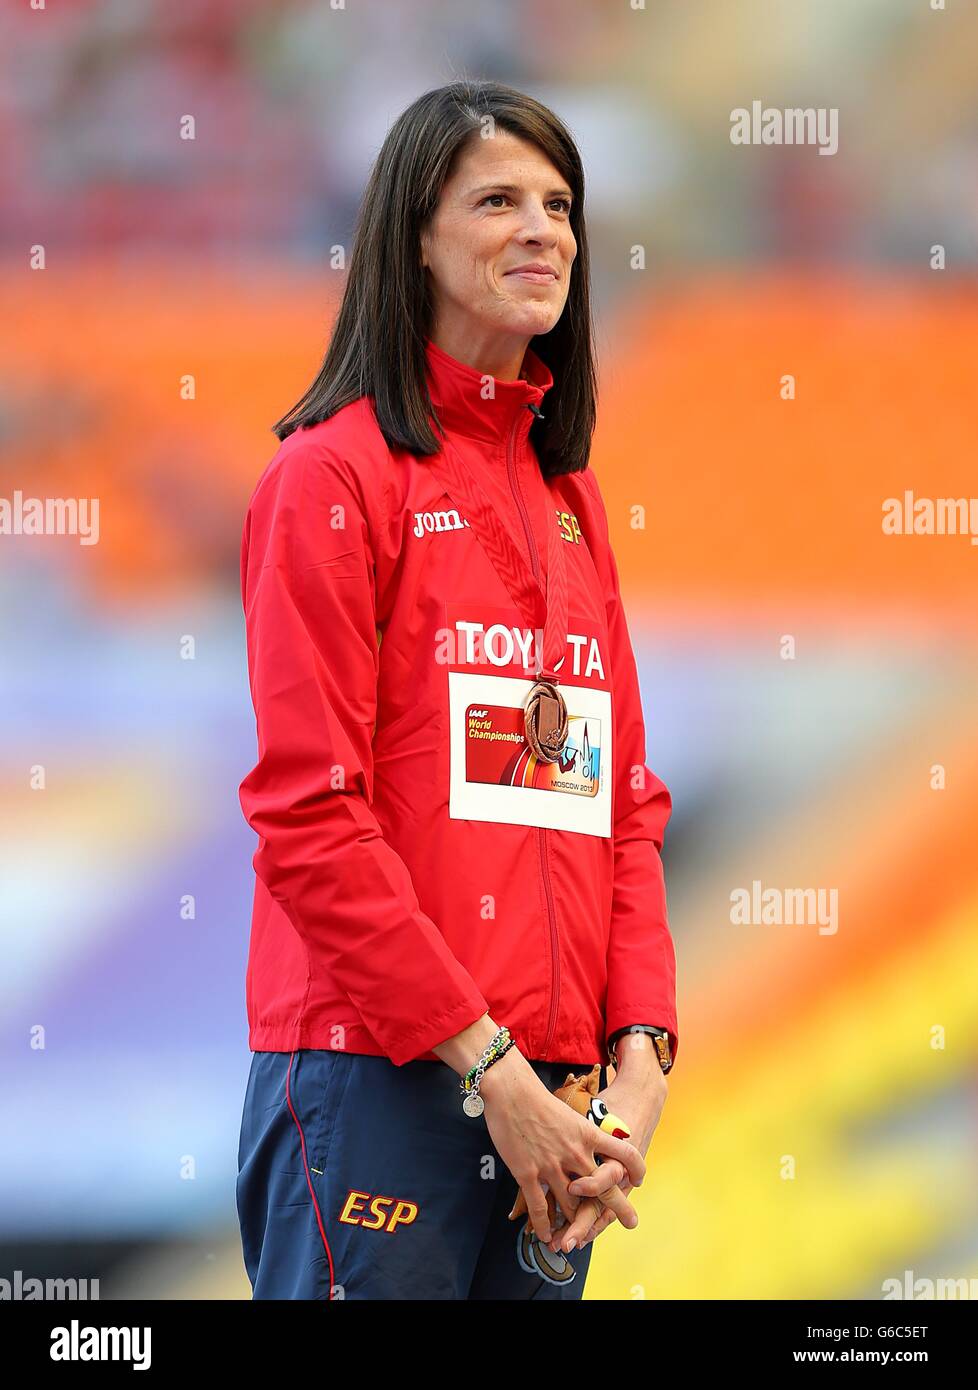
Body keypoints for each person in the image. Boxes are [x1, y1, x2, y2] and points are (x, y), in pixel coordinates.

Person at [234, 79, 679, 1301]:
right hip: (376, 1080)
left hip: (559, 1105)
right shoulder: (329, 478)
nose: (544, 229)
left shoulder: (571, 504)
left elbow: (620, 806)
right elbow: (308, 818)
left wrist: (638, 1062)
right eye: (497, 201)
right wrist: (489, 1068)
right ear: (412, 240)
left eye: (560, 204)